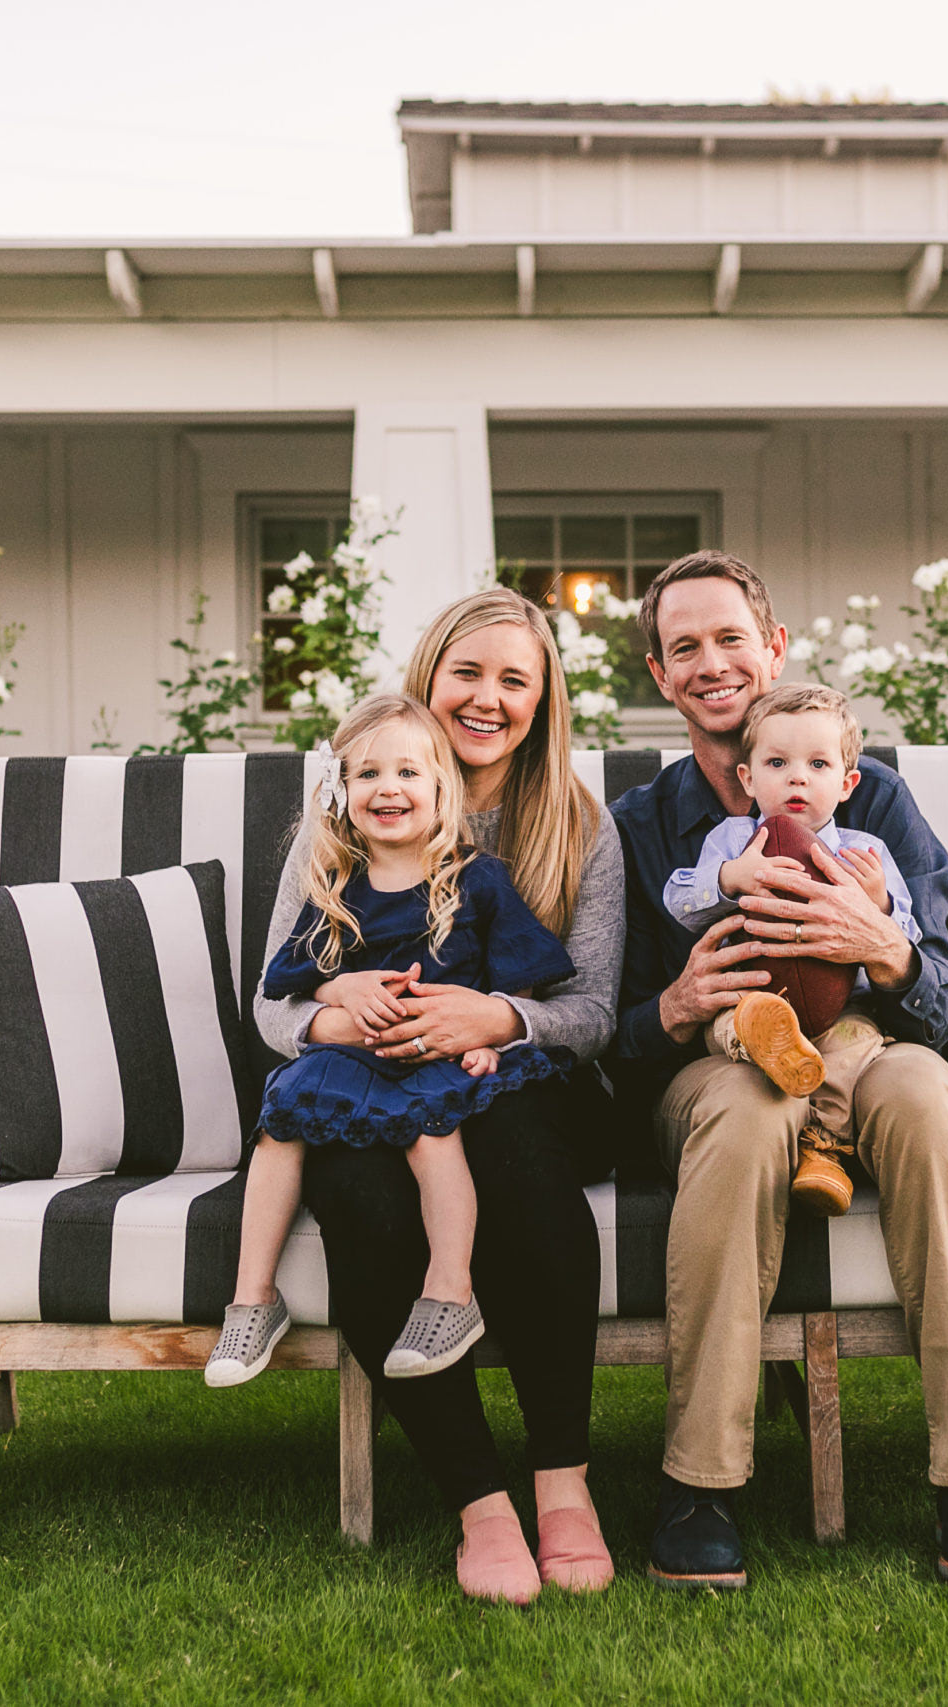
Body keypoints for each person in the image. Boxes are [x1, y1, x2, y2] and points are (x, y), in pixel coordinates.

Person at [610, 550, 948, 1591]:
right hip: (715, 1068)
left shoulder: (872, 798)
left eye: (730, 638)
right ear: (661, 677)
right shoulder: (641, 827)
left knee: (927, 1099)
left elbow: (939, 1000)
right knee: (750, 1112)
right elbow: (607, 1037)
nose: (711, 663)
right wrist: (678, 1003)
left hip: (863, 1049)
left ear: (773, 648)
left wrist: (879, 944)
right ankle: (701, 1481)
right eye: (684, 648)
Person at [255, 588, 626, 1606]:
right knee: (363, 1197)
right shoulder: (343, 821)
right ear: (430, 677)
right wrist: (334, 1013)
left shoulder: (577, 826)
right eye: (468, 672)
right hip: (373, 1080)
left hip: (526, 1084)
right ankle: (480, 1504)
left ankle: (563, 1486)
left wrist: (496, 1017)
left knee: (510, 1152)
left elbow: (594, 1011)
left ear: (543, 700)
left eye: (514, 680)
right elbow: (273, 1003)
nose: (487, 698)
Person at [209, 691, 575, 1392]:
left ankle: (450, 1292)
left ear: (442, 788)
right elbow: (288, 982)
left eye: (408, 773)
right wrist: (340, 990)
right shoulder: (336, 886)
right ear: (341, 791)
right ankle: (252, 1298)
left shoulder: (473, 879)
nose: (388, 789)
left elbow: (519, 980)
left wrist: (495, 1039)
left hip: (438, 1055)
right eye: (369, 774)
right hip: (353, 1057)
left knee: (431, 1136)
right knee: (280, 1124)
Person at [660, 681, 920, 1216]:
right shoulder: (733, 842)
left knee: (857, 1046)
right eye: (777, 763)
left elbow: (907, 938)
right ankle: (765, 1045)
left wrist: (878, 906)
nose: (797, 777)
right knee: (735, 1024)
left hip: (839, 1009)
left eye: (818, 765)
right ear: (748, 778)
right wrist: (730, 879)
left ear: (847, 784)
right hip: (751, 999)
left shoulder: (865, 854)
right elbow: (679, 900)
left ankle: (824, 1148)